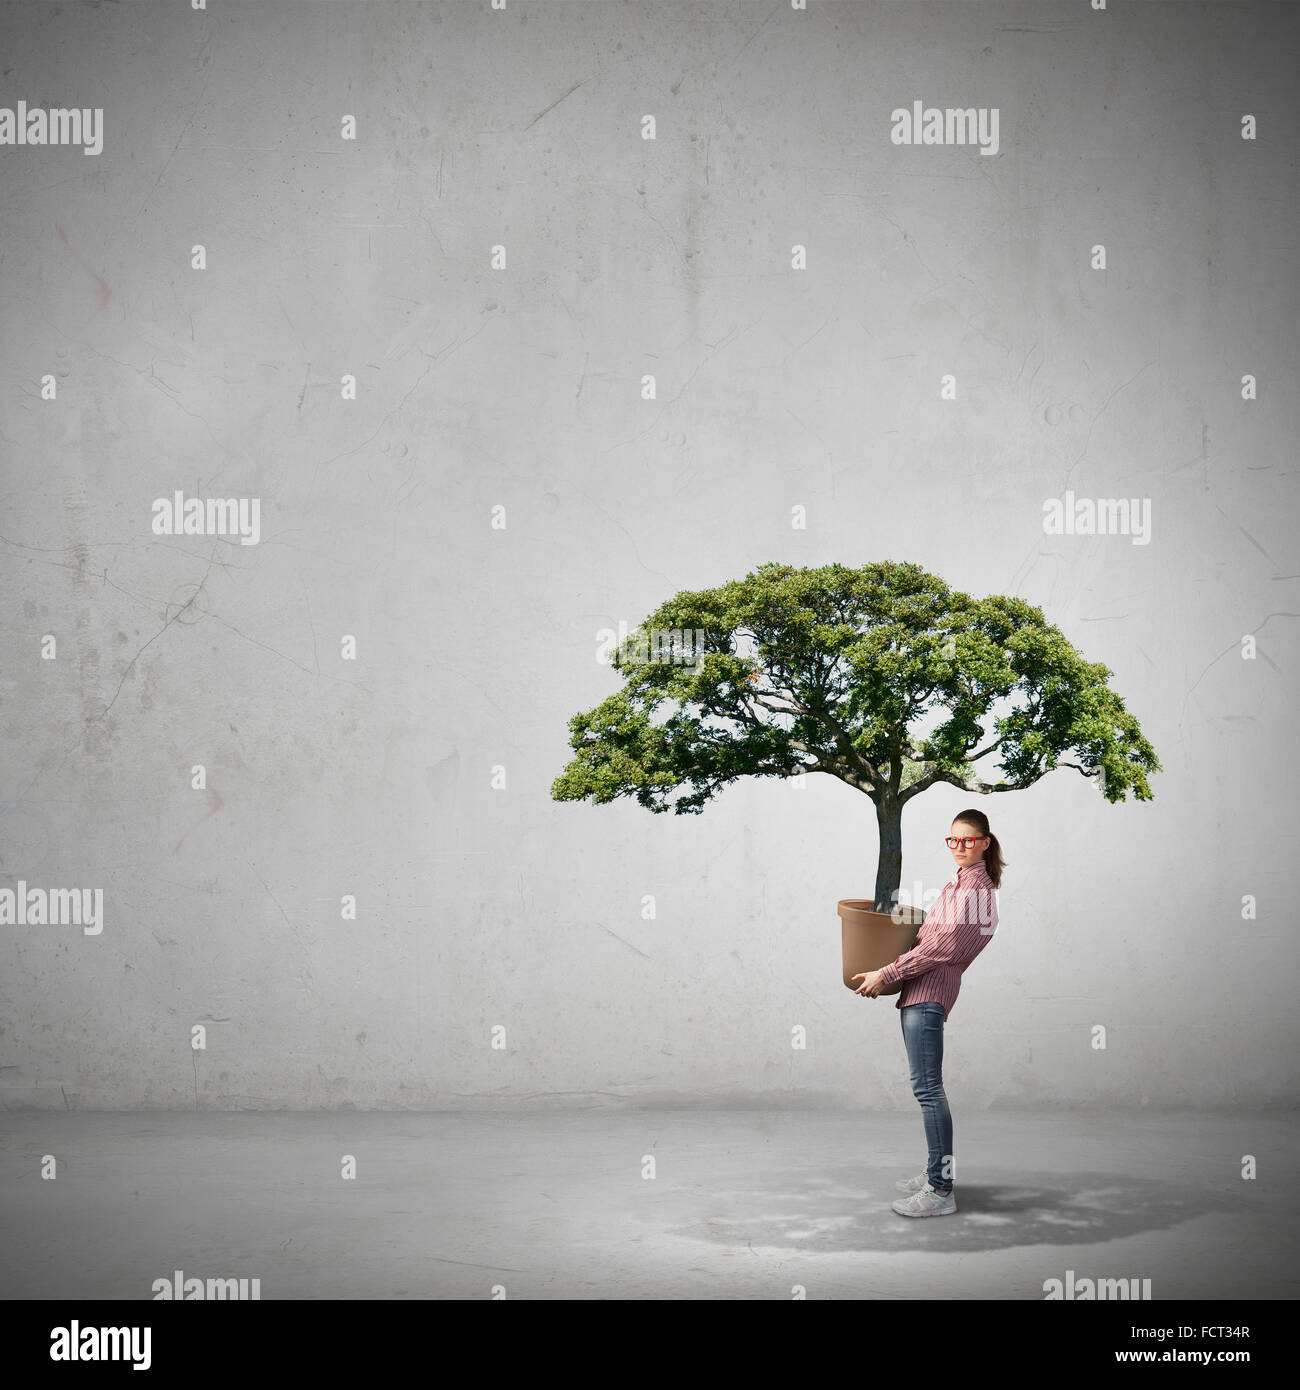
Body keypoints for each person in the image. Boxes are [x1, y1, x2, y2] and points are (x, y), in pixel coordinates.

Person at [851, 809, 1003, 1218]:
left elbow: (944, 950)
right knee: (927, 1089)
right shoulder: (958, 884)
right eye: (952, 839)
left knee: (928, 1090)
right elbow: (929, 936)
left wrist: (886, 971)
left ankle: (940, 1190)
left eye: (968, 840)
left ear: (985, 842)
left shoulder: (975, 891)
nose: (959, 847)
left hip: (928, 996)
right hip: (920, 992)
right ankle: (937, 1172)